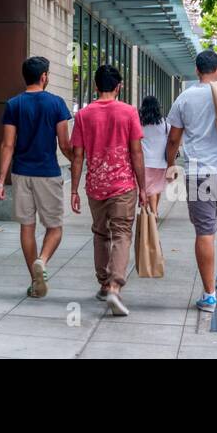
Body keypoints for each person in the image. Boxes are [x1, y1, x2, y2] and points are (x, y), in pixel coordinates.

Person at [164, 49, 217, 313]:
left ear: (197, 71)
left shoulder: (185, 98)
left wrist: (170, 163)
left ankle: (209, 295)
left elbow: (174, 138)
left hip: (199, 173)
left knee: (205, 231)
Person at [69, 63, 147, 316]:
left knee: (101, 234)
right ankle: (115, 286)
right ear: (118, 87)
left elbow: (77, 155)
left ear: (95, 86)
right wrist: (143, 187)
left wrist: (73, 189)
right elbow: (136, 152)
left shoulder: (83, 115)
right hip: (123, 184)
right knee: (122, 233)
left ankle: (103, 283)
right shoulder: (128, 112)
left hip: (95, 185)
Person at [0, 55, 72, 298]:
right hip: (48, 173)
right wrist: (79, 161)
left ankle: (35, 280)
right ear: (44, 77)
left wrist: (0, 179)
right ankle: (43, 260)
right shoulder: (56, 103)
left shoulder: (14, 104)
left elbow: (7, 145)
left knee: (26, 228)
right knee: (55, 227)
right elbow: (64, 144)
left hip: (21, 173)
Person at [138, 94, 169, 213]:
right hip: (161, 163)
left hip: (144, 162)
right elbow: (175, 141)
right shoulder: (165, 124)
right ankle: (154, 211)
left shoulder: (139, 124)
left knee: (148, 189)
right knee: (156, 189)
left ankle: (151, 212)